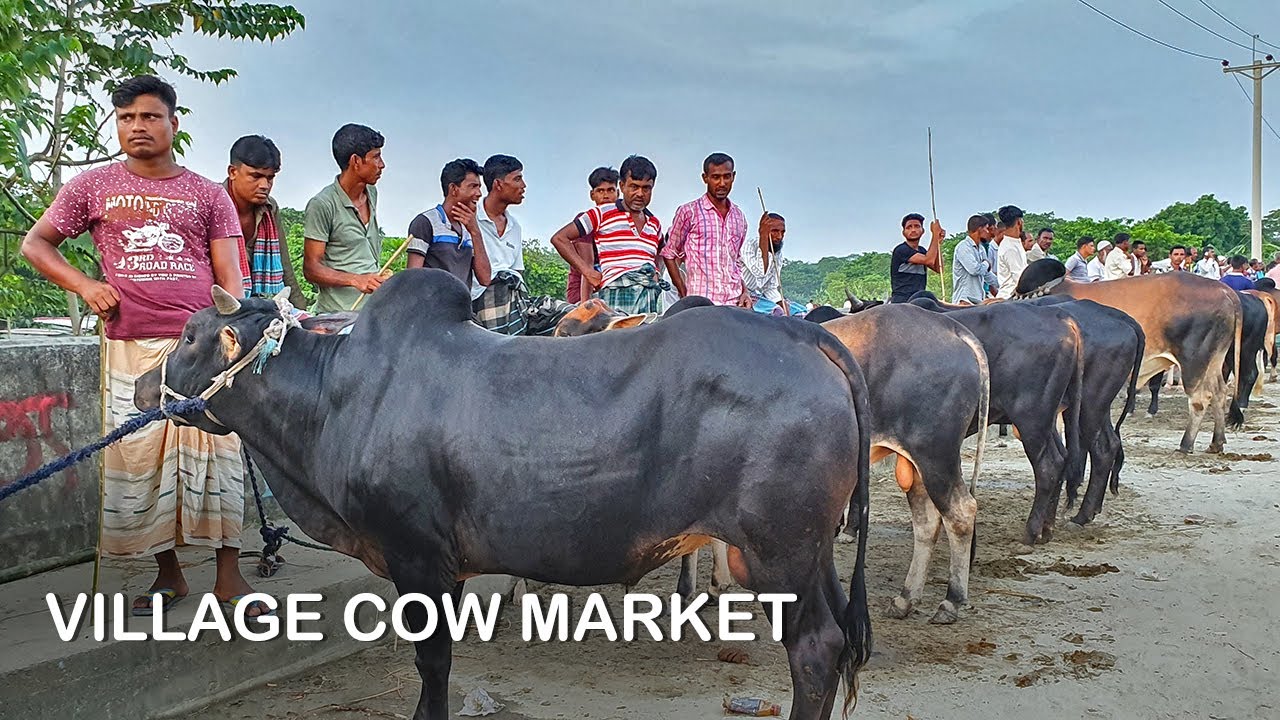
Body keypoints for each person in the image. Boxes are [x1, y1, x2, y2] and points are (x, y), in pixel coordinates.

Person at [20, 75, 270, 618]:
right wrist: (85, 286)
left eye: (150, 116)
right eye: (128, 117)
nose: (138, 126)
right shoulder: (91, 186)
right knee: (141, 458)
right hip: (129, 342)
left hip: (203, 350)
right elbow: (35, 244)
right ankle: (169, 576)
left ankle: (229, 577)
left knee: (219, 455)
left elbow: (231, 274)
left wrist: (234, 334)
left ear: (173, 124)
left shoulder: (208, 194)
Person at [550, 155, 668, 314]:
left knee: (648, 338)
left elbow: (662, 251)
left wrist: (657, 272)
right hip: (615, 293)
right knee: (616, 337)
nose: (640, 193)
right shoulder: (601, 213)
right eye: (634, 186)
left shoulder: (654, 223)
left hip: (649, 296)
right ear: (623, 186)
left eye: (646, 188)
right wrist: (587, 271)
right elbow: (559, 238)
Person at [302, 123, 388, 314]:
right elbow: (311, 269)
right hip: (338, 316)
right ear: (356, 161)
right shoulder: (322, 204)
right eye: (376, 157)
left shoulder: (372, 193)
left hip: (372, 312)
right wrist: (356, 279)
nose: (382, 164)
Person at [223, 134, 306, 302]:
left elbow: (284, 265)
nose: (264, 186)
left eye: (270, 178)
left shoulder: (270, 208)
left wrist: (301, 312)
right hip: (221, 303)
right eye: (255, 176)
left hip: (259, 304)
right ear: (233, 172)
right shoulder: (212, 204)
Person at [660, 153, 750, 307]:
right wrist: (684, 294)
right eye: (716, 177)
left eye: (726, 177)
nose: (722, 183)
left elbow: (735, 261)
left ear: (733, 177)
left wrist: (745, 292)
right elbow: (669, 254)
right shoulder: (689, 212)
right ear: (705, 178)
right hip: (701, 304)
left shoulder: (739, 217)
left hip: (734, 305)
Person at [405, 158, 492, 297]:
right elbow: (412, 279)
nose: (479, 193)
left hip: (461, 312)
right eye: (473, 186)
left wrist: (475, 232)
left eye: (479, 187)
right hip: (432, 311)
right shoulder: (426, 222)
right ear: (453, 189)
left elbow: (485, 279)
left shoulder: (470, 228)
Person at [565, 167, 619, 304]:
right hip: (583, 291)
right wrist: (585, 306)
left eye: (610, 190)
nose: (606, 196)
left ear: (618, 193)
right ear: (592, 195)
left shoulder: (622, 221)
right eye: (600, 191)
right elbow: (587, 267)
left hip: (613, 289)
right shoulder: (586, 221)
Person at [740, 212, 791, 314]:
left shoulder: (778, 254)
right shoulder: (749, 245)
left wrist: (780, 301)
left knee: (800, 312)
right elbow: (760, 272)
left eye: (782, 232)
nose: (779, 236)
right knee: (777, 312)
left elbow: (770, 287)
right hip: (742, 293)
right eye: (775, 231)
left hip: (759, 295)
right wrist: (763, 238)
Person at [888, 212, 943, 303]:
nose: (913, 230)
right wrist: (935, 235)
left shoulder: (922, 251)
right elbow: (928, 260)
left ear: (923, 230)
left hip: (919, 298)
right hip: (902, 300)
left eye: (917, 226)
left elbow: (938, 269)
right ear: (903, 232)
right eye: (909, 227)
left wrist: (938, 243)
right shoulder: (901, 250)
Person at [952, 214, 998, 304]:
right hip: (965, 300)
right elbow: (974, 270)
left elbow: (987, 274)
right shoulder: (963, 247)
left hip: (978, 299)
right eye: (986, 228)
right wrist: (986, 264)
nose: (987, 232)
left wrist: (1004, 285)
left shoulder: (981, 248)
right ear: (979, 229)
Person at [995, 205, 1027, 299]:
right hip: (1010, 298)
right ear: (1019, 222)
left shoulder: (1014, 243)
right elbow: (1020, 278)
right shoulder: (1010, 248)